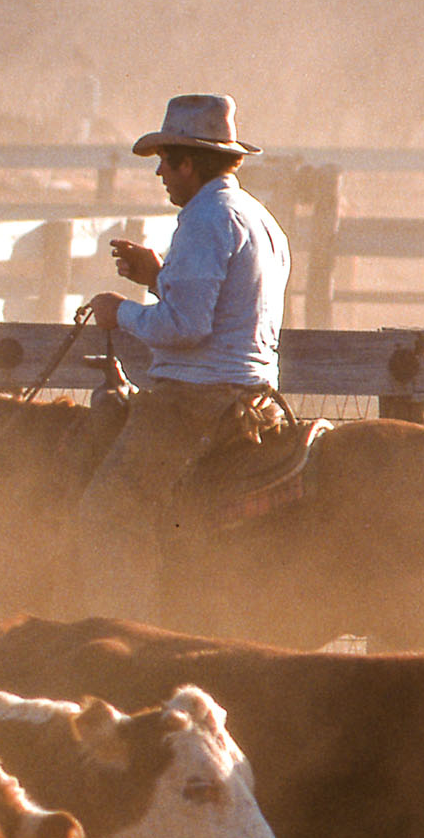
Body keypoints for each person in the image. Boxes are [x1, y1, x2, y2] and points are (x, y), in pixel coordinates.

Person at [76, 93, 290, 622]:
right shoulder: (259, 219)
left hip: (197, 402)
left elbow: (185, 328)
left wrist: (118, 312)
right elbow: (226, 311)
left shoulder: (203, 220)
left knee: (107, 512)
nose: (161, 175)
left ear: (190, 162)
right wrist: (159, 277)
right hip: (253, 397)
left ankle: (127, 635)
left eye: (166, 162)